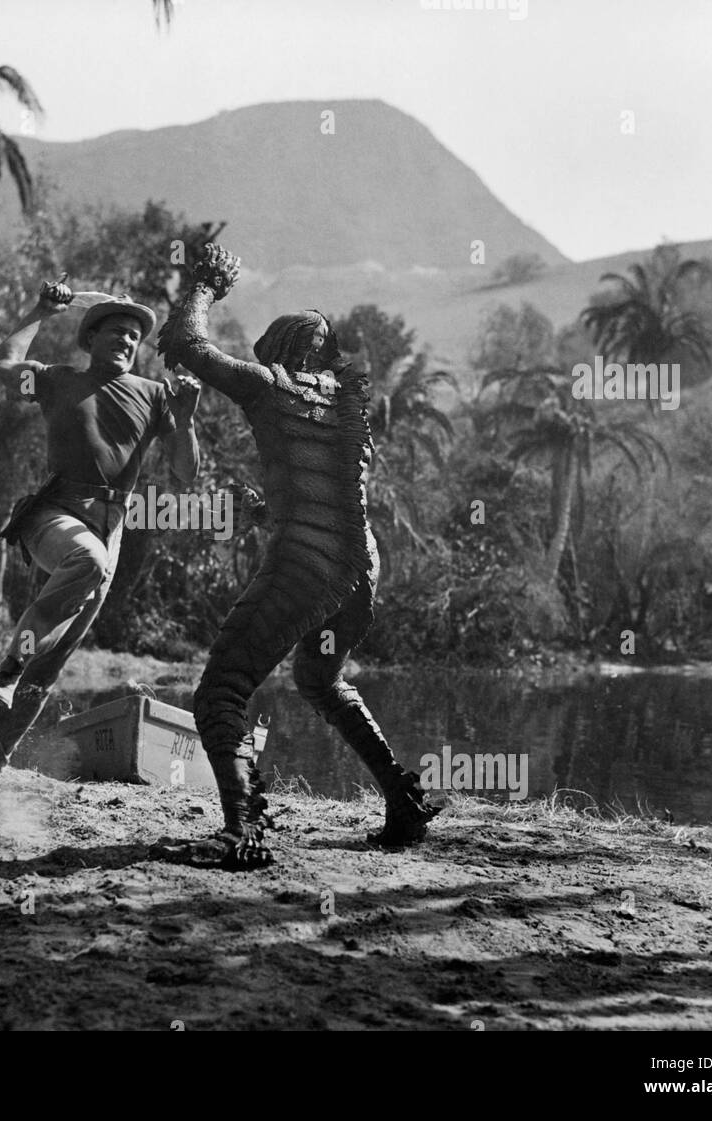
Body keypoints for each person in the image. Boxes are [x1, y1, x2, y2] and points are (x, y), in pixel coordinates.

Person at [156, 244, 438, 869]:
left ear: (282, 352)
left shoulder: (269, 387)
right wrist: (269, 511)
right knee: (320, 679)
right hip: (361, 567)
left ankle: (244, 831)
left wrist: (204, 284)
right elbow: (333, 495)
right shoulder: (348, 408)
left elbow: (183, 345)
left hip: (308, 566)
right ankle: (404, 802)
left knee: (221, 692)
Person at [0, 277, 201, 804]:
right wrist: (38, 312)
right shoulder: (57, 380)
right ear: (90, 339)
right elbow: (0, 370)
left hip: (111, 527)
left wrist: (185, 423)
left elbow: (185, 474)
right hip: (56, 513)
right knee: (85, 560)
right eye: (115, 332)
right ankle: (5, 669)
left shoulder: (155, 395)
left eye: (134, 337)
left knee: (50, 659)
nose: (125, 341)